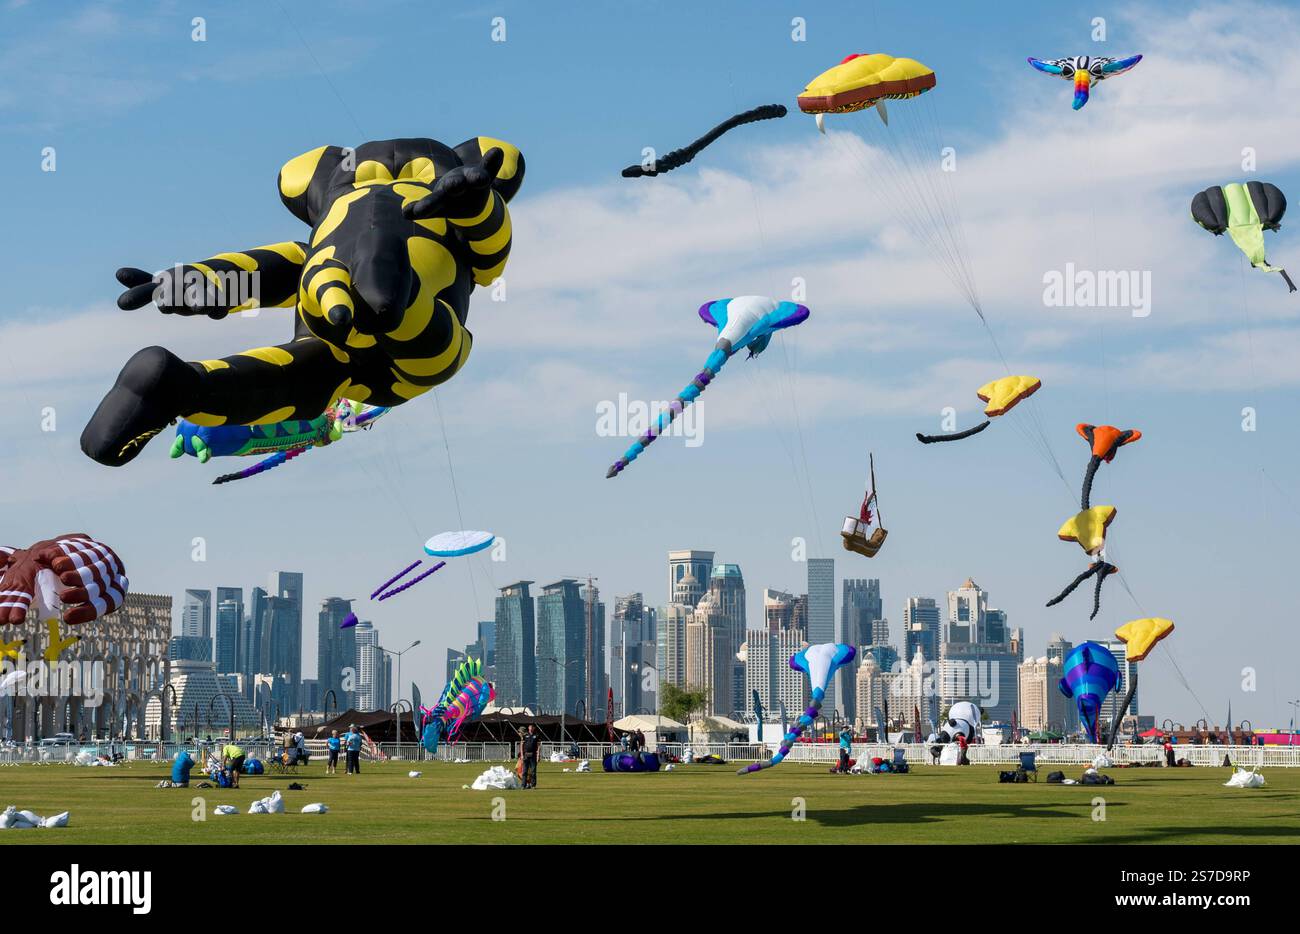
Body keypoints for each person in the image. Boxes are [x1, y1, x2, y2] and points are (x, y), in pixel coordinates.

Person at [521, 724, 541, 789]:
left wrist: (538, 755)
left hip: (533, 755)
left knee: (533, 771)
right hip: (526, 755)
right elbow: (521, 745)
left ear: (534, 728)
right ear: (528, 728)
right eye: (530, 727)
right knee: (524, 771)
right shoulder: (525, 735)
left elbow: (538, 746)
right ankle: (523, 785)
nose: (531, 728)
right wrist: (521, 754)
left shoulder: (537, 736)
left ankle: (533, 785)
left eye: (532, 727)